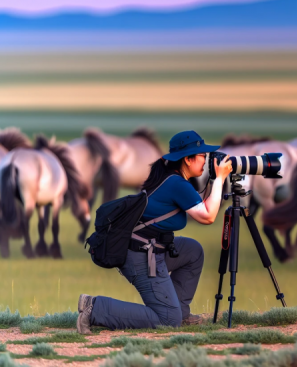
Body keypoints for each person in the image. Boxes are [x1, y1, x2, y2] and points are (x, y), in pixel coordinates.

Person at [76, 131, 232, 334]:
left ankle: (180, 314)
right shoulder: (177, 184)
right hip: (140, 256)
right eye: (203, 155)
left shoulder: (172, 179)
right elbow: (208, 216)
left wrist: (216, 180)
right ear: (187, 159)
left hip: (152, 248)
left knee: (192, 251)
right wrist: (219, 179)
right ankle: (95, 308)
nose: (206, 160)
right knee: (167, 320)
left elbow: (203, 209)